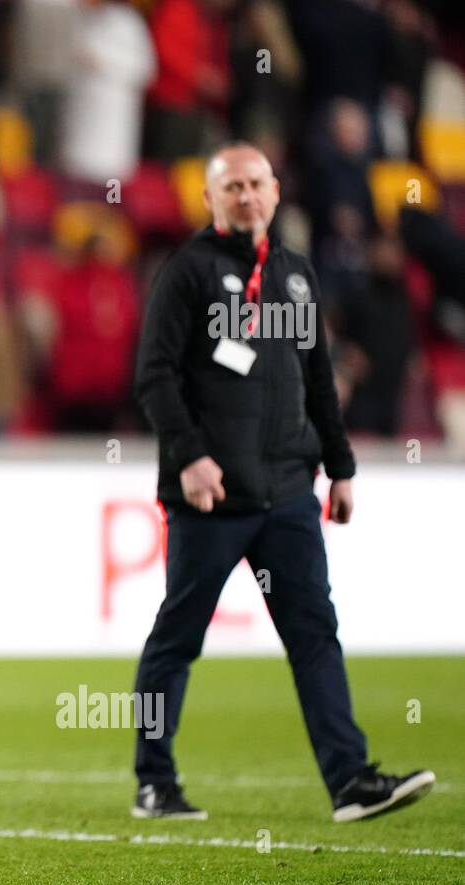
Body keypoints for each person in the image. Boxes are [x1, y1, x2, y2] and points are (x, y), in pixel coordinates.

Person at [130, 142, 433, 822]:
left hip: (290, 494)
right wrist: (190, 456)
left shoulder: (295, 275)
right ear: (209, 199)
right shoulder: (187, 272)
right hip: (212, 498)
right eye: (230, 186)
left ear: (275, 191)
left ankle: (350, 781)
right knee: (178, 638)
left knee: (315, 633)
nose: (245, 196)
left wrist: (341, 467)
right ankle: (155, 781)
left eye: (256, 183)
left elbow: (317, 379)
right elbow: (154, 375)